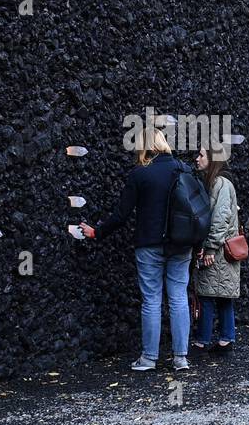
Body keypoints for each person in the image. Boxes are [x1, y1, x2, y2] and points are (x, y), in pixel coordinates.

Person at [80, 125, 194, 371]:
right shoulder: (184, 169)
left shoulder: (140, 174)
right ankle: (181, 358)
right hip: (181, 244)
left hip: (150, 244)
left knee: (152, 300)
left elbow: (121, 215)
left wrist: (97, 232)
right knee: (178, 298)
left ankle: (149, 358)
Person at [192, 145, 240, 354]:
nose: (197, 158)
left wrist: (210, 248)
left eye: (201, 155)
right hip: (222, 249)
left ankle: (203, 341)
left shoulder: (220, 183)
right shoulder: (218, 183)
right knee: (222, 294)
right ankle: (225, 339)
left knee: (207, 294)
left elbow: (221, 218)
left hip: (218, 250)